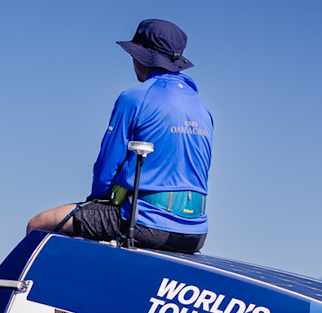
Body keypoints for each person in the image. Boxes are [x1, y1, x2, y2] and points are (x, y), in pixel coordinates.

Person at [26, 19, 212, 254]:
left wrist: (96, 202)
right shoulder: (202, 106)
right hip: (196, 233)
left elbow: (107, 167)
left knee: (38, 224)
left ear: (143, 57)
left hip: (146, 223)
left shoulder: (135, 97)